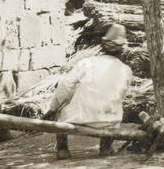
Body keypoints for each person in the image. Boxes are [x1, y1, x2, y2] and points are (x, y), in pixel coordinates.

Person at [48, 24, 133, 158]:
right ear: (122, 49)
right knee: (115, 104)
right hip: (108, 121)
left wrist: (53, 109)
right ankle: (105, 147)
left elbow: (65, 86)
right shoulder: (126, 70)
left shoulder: (86, 63)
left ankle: (62, 149)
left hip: (78, 118)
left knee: (61, 111)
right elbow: (121, 95)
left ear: (103, 45)